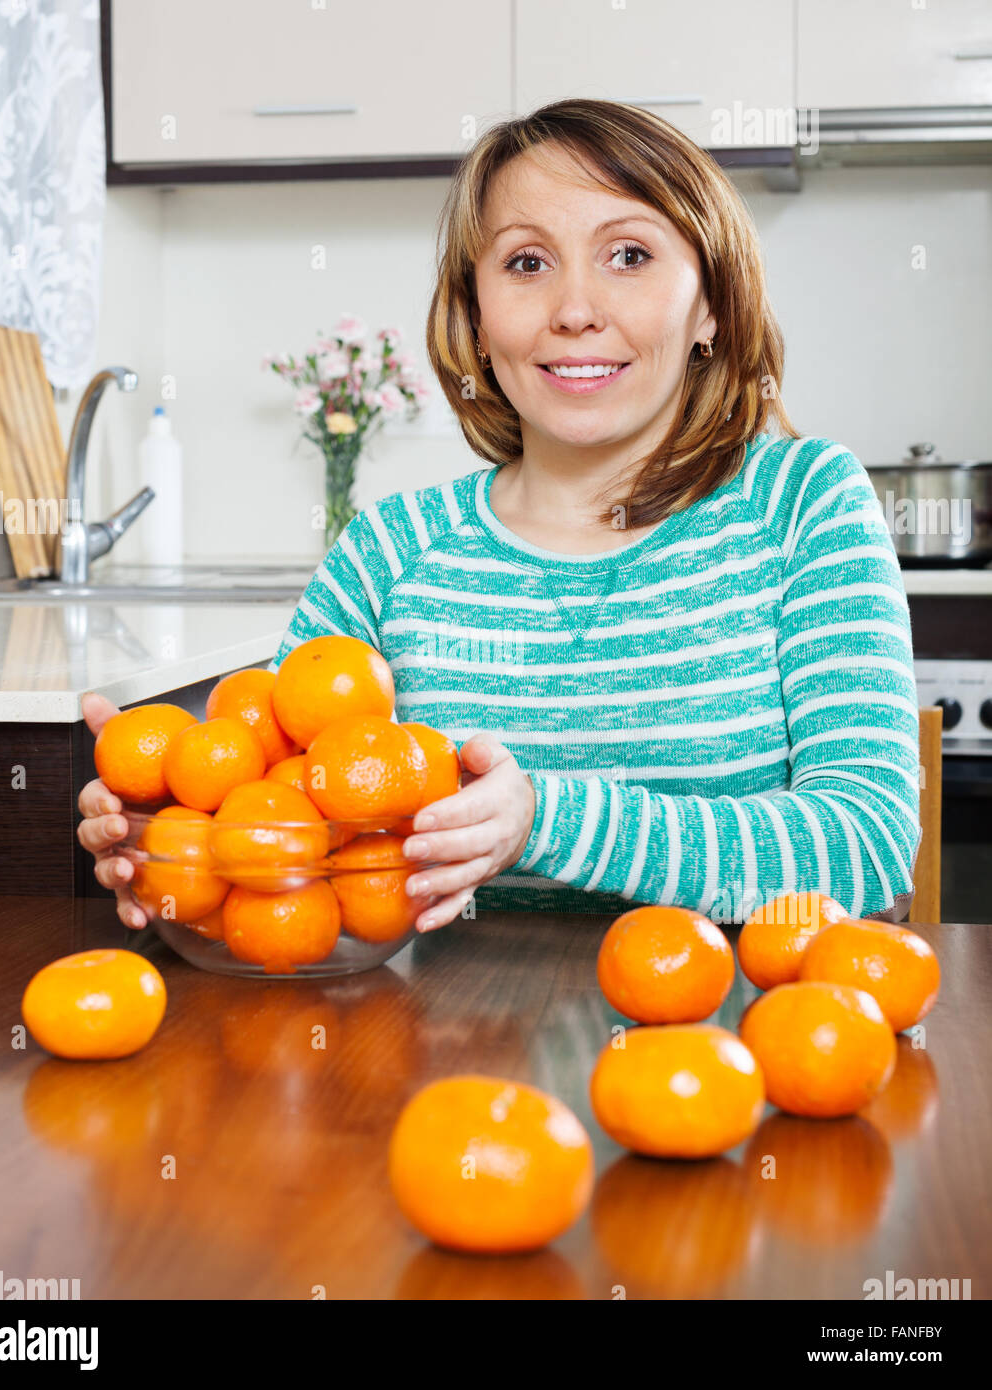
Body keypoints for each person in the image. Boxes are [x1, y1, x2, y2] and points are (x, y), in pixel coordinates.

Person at [78, 98, 921, 937]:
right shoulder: (388, 551)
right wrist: (169, 841)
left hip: (733, 1044)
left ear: (710, 305)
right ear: (476, 319)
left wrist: (543, 821)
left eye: (628, 254)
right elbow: (285, 834)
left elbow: (867, 846)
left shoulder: (801, 502)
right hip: (440, 1050)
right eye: (525, 264)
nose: (574, 310)